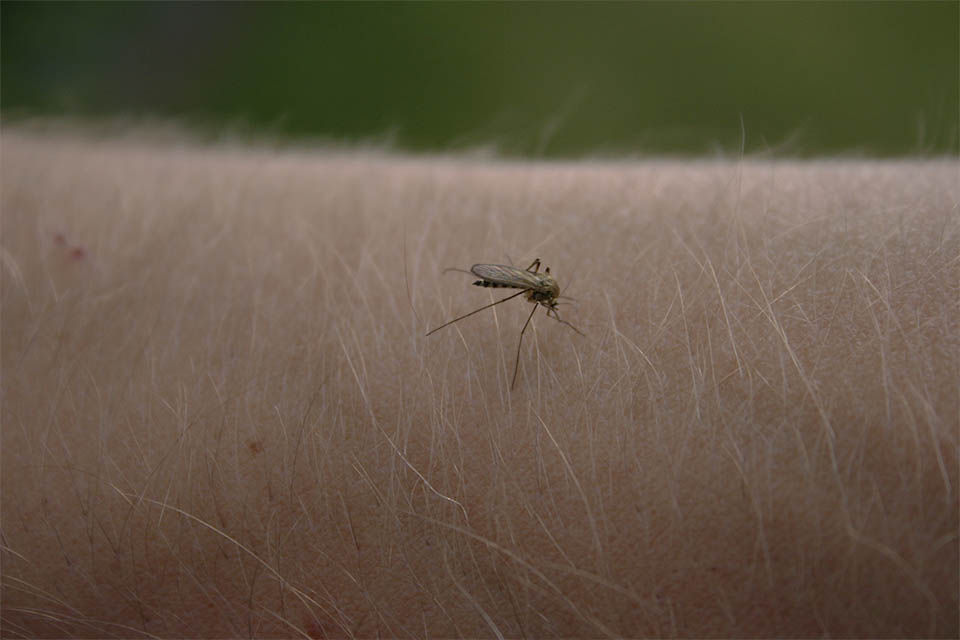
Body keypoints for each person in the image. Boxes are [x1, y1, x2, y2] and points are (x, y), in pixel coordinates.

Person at [2, 129, 956, 638]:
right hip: (498, 280)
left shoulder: (548, 285)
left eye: (546, 297)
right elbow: (532, 287)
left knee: (512, 302)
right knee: (487, 317)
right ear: (541, 289)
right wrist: (523, 293)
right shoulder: (529, 292)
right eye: (549, 296)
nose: (548, 301)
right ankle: (464, 316)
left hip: (515, 271)